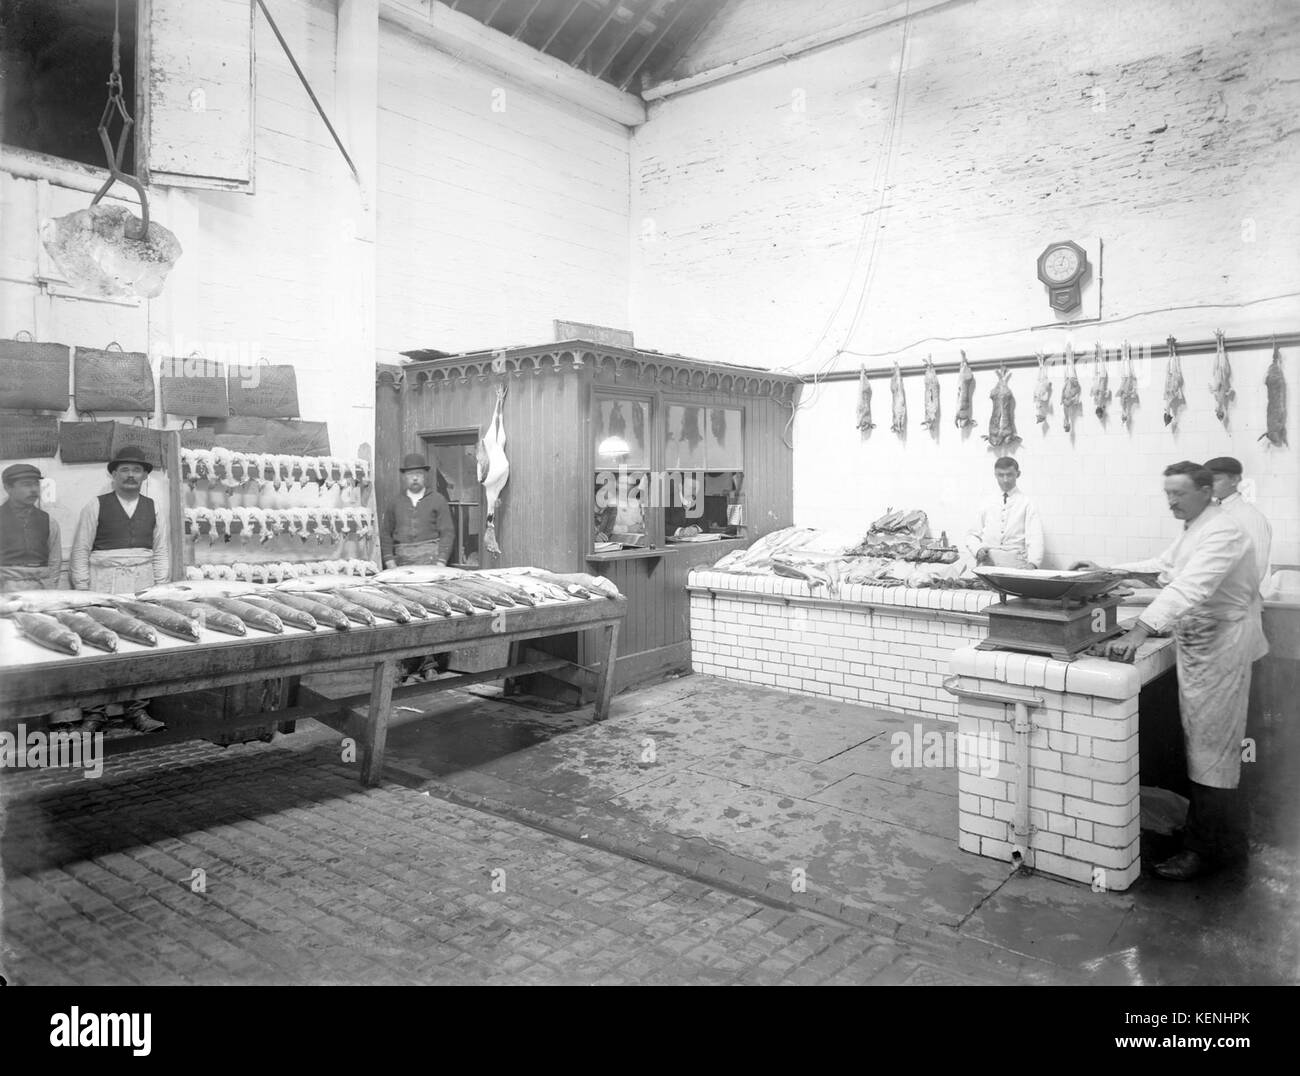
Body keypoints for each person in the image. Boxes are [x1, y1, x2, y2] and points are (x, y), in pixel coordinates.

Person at [1072, 461, 1266, 881]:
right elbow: (1164, 566)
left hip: (1222, 649)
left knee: (1214, 752)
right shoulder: (1197, 527)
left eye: (1178, 493)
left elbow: (1188, 586)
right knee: (1205, 748)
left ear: (1205, 489)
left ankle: (1206, 852)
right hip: (1201, 645)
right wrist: (1108, 569)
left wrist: (1138, 632)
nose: (1171, 502)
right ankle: (1213, 839)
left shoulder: (1225, 530)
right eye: (1167, 494)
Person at [70, 446, 171, 733]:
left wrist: (159, 588)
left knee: (142, 646)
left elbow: (161, 550)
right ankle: (94, 714)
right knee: (97, 648)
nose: (130, 475)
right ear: (113, 474)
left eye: (136, 470)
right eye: (124, 469)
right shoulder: (96, 505)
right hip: (103, 583)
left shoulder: (154, 506)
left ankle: (138, 711)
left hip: (142, 583)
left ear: (144, 476)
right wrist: (84, 591)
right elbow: (80, 550)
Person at [380, 453, 454, 682]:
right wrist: (390, 561)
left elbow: (447, 532)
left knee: (430, 613)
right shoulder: (395, 503)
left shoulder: (437, 500)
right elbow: (385, 534)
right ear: (404, 477)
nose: (415, 478)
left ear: (424, 476)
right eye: (411, 474)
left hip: (430, 564)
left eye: (419, 474)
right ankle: (403, 665)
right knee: (402, 615)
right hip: (401, 566)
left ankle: (430, 665)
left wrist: (441, 561)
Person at [1204, 456, 1272, 593]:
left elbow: (1256, 568)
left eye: (1216, 480)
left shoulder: (1250, 517)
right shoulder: (1212, 512)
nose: (1210, 485)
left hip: (1236, 603)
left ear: (1234, 480)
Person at [966, 457, 1044, 569]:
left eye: (1009, 474)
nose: (1005, 479)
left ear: (1018, 474)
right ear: (995, 475)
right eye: (1001, 475)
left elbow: (1035, 537)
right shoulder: (986, 502)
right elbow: (972, 535)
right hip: (987, 564)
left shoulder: (1027, 504)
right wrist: (977, 550)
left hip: (1017, 565)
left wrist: (1033, 564)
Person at [0, 464, 61, 592]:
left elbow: (55, 560)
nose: (34, 490)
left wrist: (51, 588)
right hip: (5, 587)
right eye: (26, 484)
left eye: (36, 484)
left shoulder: (48, 520)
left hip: (41, 586)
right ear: (8, 487)